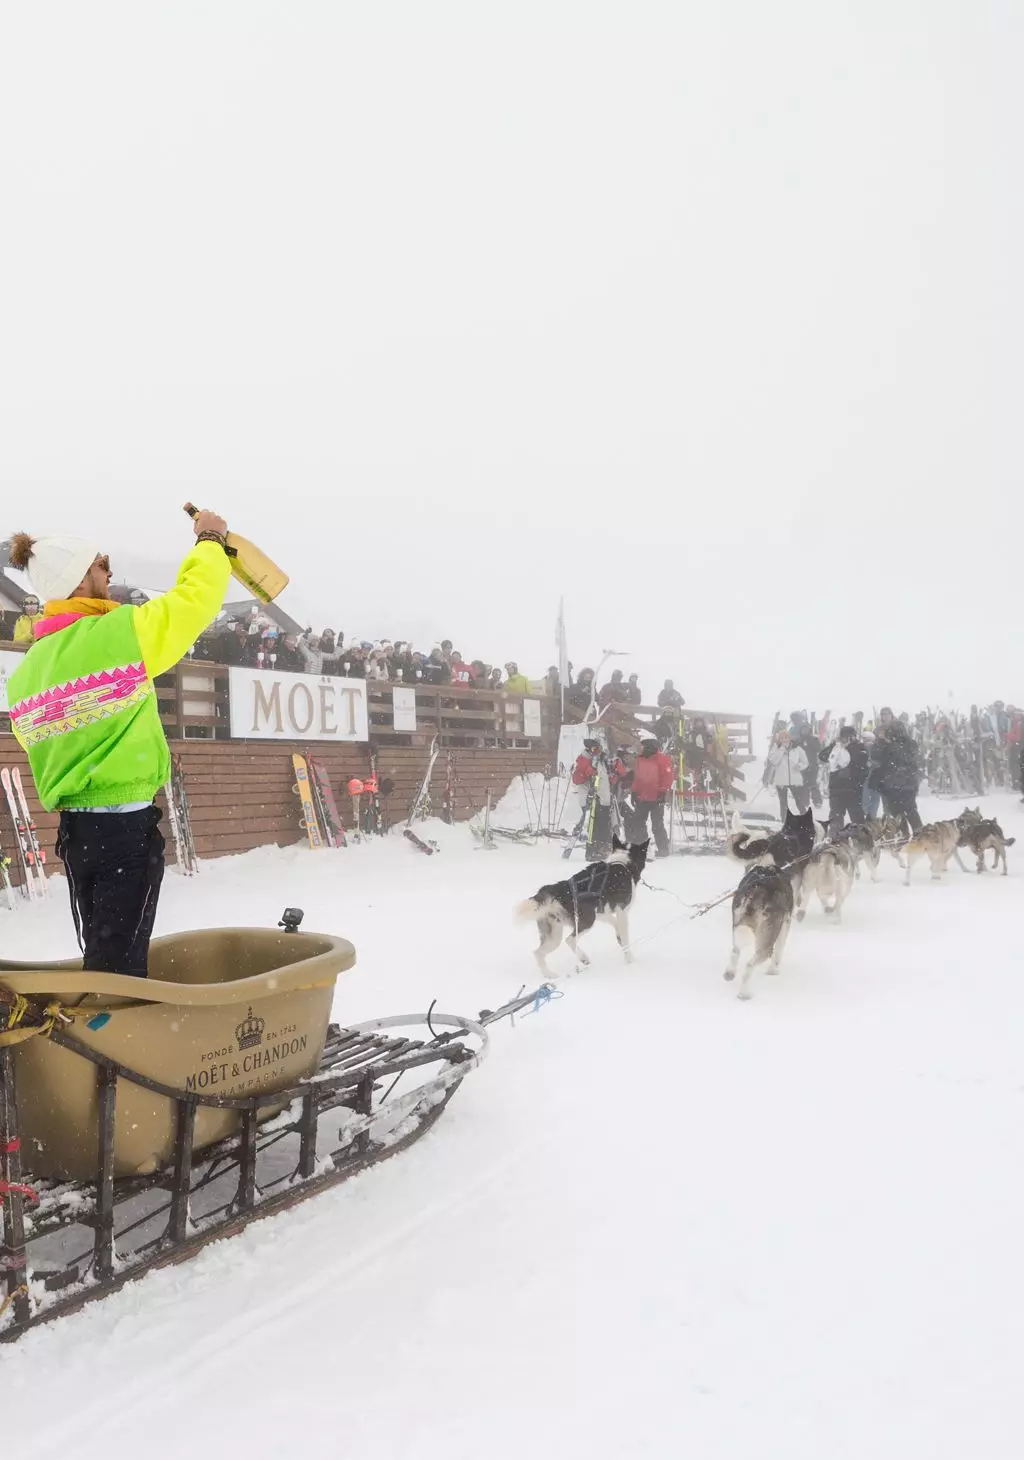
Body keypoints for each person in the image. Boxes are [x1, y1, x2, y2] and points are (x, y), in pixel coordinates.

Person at [5, 510, 231, 976]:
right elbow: (194, 601)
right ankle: (112, 1041)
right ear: (82, 578)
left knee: (104, 954)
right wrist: (210, 540)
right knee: (120, 971)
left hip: (75, 834)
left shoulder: (27, 672)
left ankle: (103, 1031)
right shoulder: (118, 635)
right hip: (125, 830)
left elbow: (36, 741)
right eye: (101, 563)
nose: (108, 571)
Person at [627, 732, 674, 857]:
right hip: (642, 796)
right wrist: (634, 792)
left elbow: (667, 777)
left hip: (656, 797)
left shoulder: (663, 759)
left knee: (657, 824)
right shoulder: (639, 760)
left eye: (644, 746)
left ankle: (663, 848)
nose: (642, 748)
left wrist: (663, 792)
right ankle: (641, 847)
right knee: (638, 823)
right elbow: (637, 778)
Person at [876, 721, 923, 833]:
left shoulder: (903, 745)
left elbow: (900, 760)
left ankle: (914, 835)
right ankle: (909, 835)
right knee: (903, 812)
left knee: (905, 811)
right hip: (899, 785)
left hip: (901, 784)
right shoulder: (905, 744)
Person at [820, 725, 868, 834]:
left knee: (857, 817)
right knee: (836, 817)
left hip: (853, 789)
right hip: (836, 788)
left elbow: (862, 769)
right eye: (843, 737)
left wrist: (851, 774)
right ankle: (834, 839)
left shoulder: (860, 748)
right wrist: (833, 744)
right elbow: (822, 756)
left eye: (848, 737)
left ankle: (862, 840)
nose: (844, 739)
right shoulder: (836, 747)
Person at [763, 728, 810, 817]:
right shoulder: (775, 748)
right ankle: (784, 822)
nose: (784, 740)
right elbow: (773, 761)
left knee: (800, 802)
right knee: (783, 804)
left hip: (795, 779)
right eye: (782, 738)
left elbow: (805, 762)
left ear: (789, 738)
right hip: (781, 780)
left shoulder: (797, 748)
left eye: (786, 738)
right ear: (779, 740)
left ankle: (805, 820)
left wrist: (799, 766)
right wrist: (781, 749)